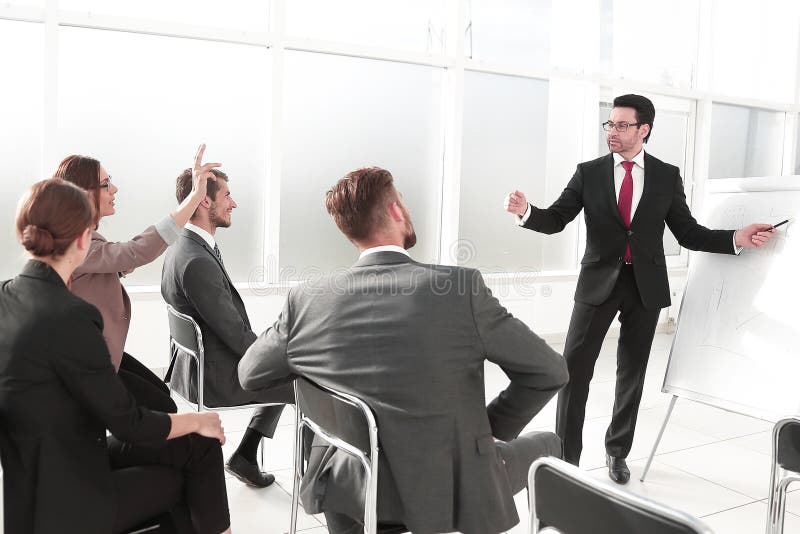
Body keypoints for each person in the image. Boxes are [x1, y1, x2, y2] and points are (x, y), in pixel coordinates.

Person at [238, 166, 568, 534]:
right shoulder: (460, 289)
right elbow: (550, 371)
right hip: (445, 485)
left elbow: (250, 373)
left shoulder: (309, 298)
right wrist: (487, 431)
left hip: (348, 483)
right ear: (396, 211)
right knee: (550, 443)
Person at [504, 93, 775, 484]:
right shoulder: (589, 172)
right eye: (609, 124)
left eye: (621, 125)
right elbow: (557, 219)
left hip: (645, 287)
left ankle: (617, 452)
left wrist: (737, 238)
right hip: (598, 284)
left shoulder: (666, 176)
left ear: (643, 129)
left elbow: (688, 232)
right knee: (574, 371)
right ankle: (567, 460)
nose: (612, 132)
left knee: (631, 374)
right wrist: (526, 212)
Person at [0, 178, 232, 534]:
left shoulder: (6, 297)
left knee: (195, 451)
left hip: (32, 488)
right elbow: (130, 424)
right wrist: (199, 420)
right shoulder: (71, 317)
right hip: (74, 504)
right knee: (191, 465)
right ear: (83, 239)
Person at [54, 144, 221, 412]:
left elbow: (116, 260)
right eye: (106, 184)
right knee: (161, 407)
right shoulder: (74, 243)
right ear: (84, 194)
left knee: (160, 397)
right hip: (83, 365)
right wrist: (193, 199)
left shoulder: (79, 237)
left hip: (92, 353)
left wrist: (124, 261)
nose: (114, 189)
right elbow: (133, 252)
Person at [161, 167, 293, 488]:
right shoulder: (196, 261)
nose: (233, 204)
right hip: (214, 377)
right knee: (298, 377)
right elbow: (235, 335)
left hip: (195, 366)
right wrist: (275, 355)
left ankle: (246, 456)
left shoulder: (183, 246)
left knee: (282, 359)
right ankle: (317, 476)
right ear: (204, 202)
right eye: (227, 196)